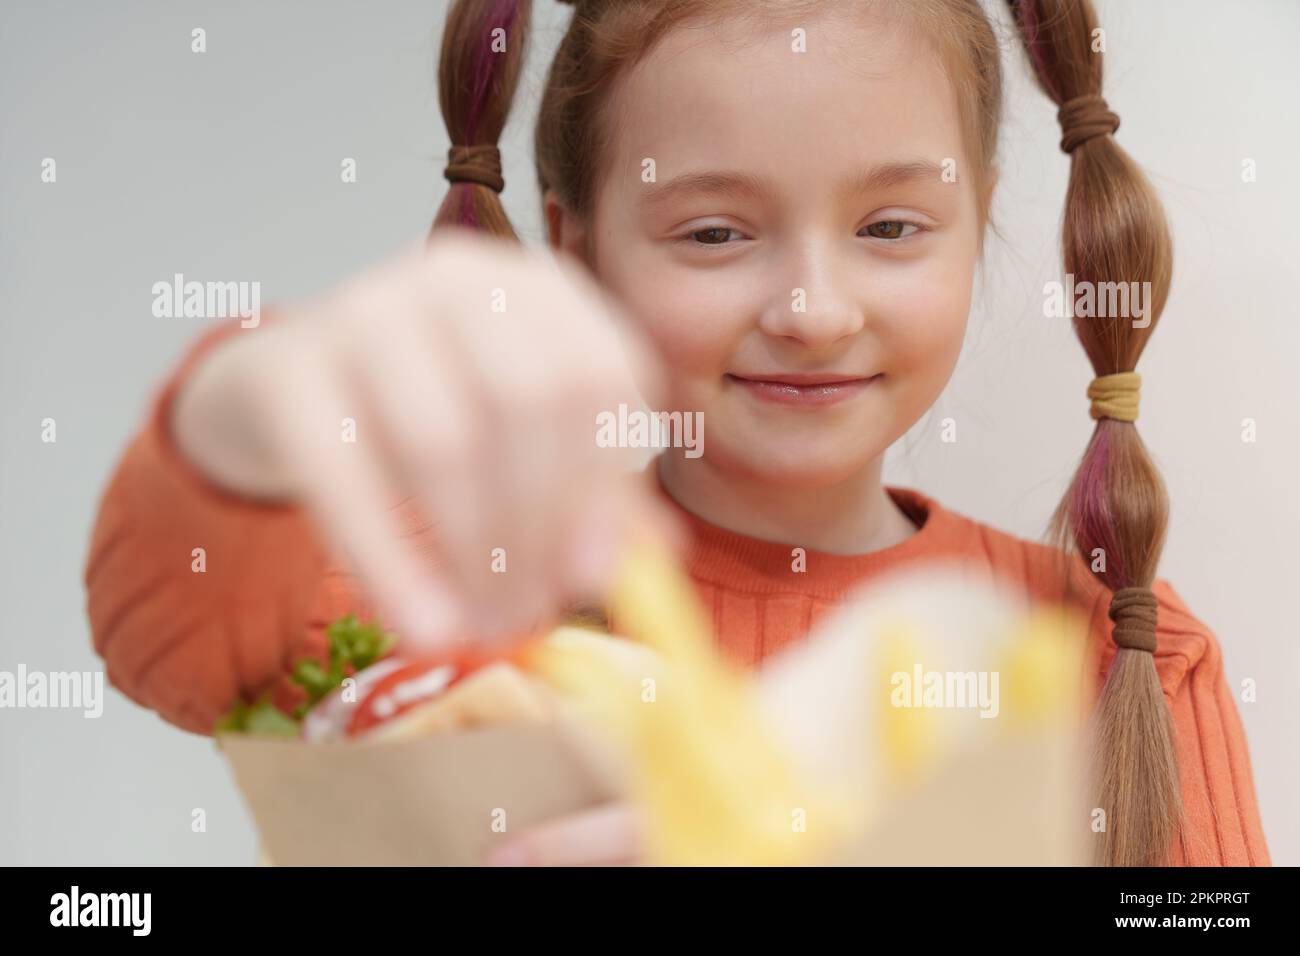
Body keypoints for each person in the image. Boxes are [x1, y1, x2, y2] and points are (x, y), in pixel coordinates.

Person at [84, 0, 1270, 867]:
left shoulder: (1131, 661)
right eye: (713, 233)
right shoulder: (435, 594)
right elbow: (171, 648)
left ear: (981, 228)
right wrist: (234, 417)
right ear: (578, 245)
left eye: (893, 224)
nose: (812, 310)